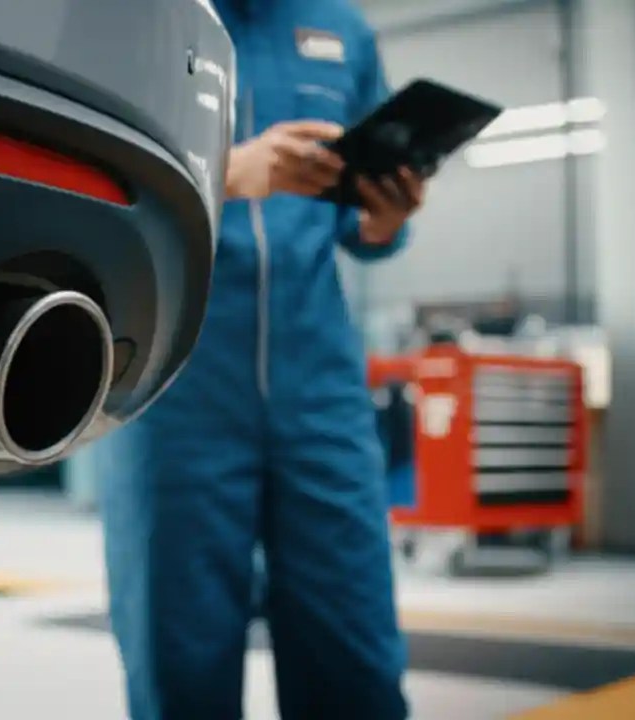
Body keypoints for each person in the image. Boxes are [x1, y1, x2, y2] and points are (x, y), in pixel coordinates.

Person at [99, 0, 427, 717]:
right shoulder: (133, 19)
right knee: (179, 657)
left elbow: (361, 228)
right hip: (173, 379)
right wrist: (226, 171)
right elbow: (88, 171)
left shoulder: (342, 31)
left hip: (320, 386)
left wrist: (385, 217)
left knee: (356, 657)